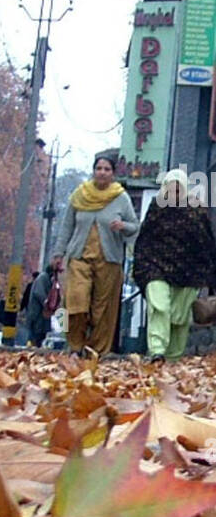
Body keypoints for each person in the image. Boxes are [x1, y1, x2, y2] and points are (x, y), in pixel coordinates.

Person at [52, 149, 138, 357]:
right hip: (79, 258)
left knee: (103, 310)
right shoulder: (80, 195)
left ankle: (96, 350)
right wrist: (58, 253)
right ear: (93, 171)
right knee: (76, 302)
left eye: (107, 169)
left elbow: (134, 226)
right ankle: (75, 345)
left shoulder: (120, 198)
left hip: (109, 260)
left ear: (113, 173)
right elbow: (67, 226)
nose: (102, 173)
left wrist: (123, 225)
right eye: (98, 168)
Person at [132, 167, 216, 363]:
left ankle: (172, 358)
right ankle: (157, 351)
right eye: (170, 189)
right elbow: (144, 240)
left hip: (188, 271)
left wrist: (210, 276)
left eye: (178, 190)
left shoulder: (196, 211)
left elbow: (206, 242)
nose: (174, 194)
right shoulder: (157, 208)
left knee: (179, 317)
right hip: (156, 267)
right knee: (159, 306)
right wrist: (142, 267)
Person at [27, 263, 54, 346]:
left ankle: (35, 345)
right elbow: (39, 293)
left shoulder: (45, 279)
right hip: (38, 312)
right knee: (36, 332)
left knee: (40, 333)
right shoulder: (43, 278)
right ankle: (33, 347)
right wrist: (46, 303)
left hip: (40, 312)